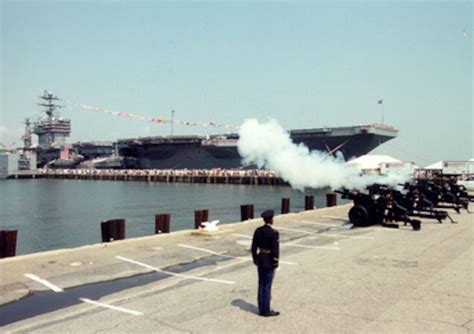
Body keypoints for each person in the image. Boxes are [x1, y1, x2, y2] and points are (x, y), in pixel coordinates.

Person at [251, 209, 280, 317]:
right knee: (267, 285)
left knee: (261, 284)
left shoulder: (258, 230)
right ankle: (266, 310)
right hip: (269, 259)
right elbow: (275, 250)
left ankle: (261, 308)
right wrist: (275, 262)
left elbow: (253, 247)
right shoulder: (274, 233)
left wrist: (255, 259)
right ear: (271, 219)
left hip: (260, 258)